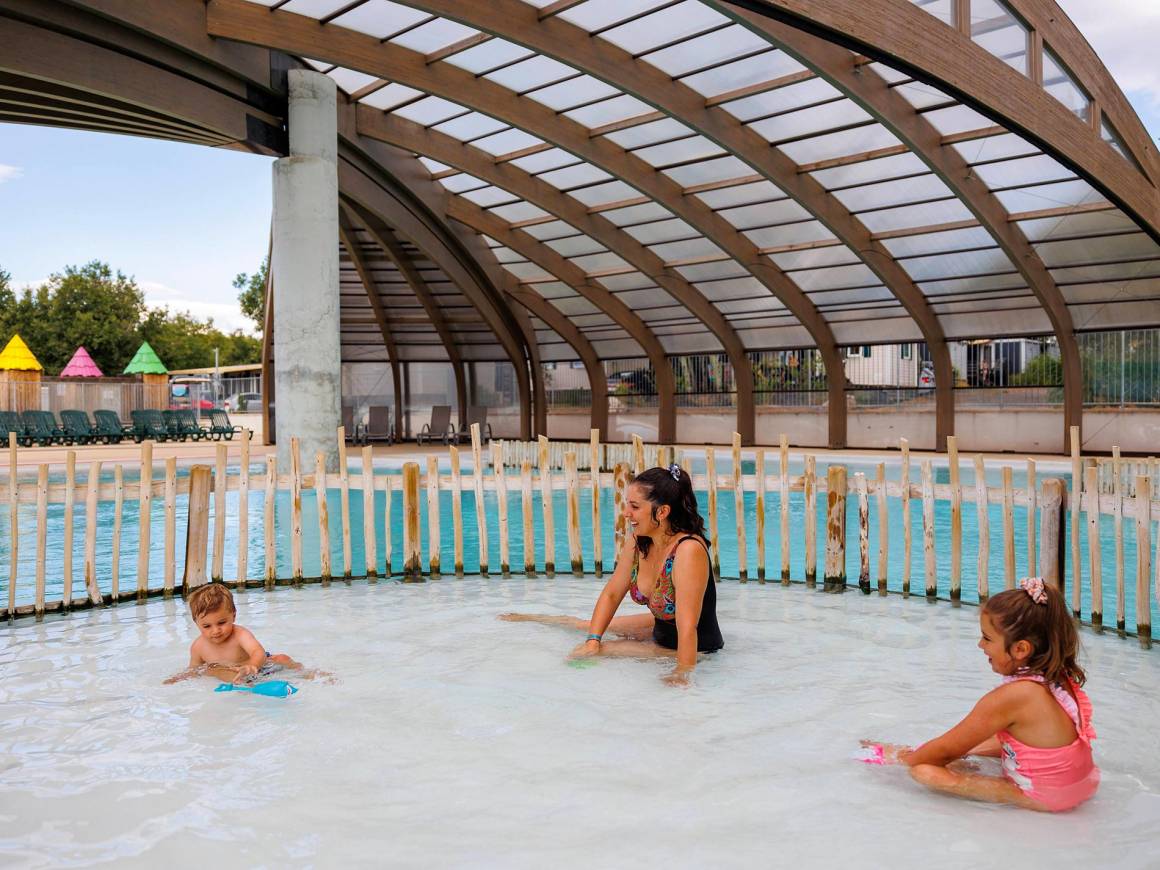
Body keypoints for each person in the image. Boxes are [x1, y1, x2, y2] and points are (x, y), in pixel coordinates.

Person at [864, 577, 1098, 811]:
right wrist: (962, 753)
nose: (980, 645)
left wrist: (898, 758)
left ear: (1020, 649)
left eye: (987, 638)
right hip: (1081, 785)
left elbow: (946, 749)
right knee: (976, 745)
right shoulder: (1056, 678)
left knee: (923, 771)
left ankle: (1018, 795)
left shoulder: (1014, 696)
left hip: (1047, 797)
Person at [501, 463, 723, 685]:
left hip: (698, 650)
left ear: (662, 512)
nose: (626, 513)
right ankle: (529, 619)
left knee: (601, 651)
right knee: (587, 631)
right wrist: (592, 639)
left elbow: (687, 627)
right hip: (659, 630)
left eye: (634, 507)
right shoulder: (640, 541)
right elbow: (612, 594)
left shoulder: (688, 550)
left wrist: (681, 675)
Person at [165, 583, 300, 684]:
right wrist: (178, 678)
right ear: (196, 623)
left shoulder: (240, 634)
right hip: (233, 674)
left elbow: (258, 652)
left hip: (260, 667)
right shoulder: (198, 647)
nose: (216, 630)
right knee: (211, 670)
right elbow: (194, 669)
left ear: (233, 616)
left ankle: (307, 673)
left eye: (222, 623)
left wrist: (252, 665)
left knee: (282, 658)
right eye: (207, 626)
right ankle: (244, 685)